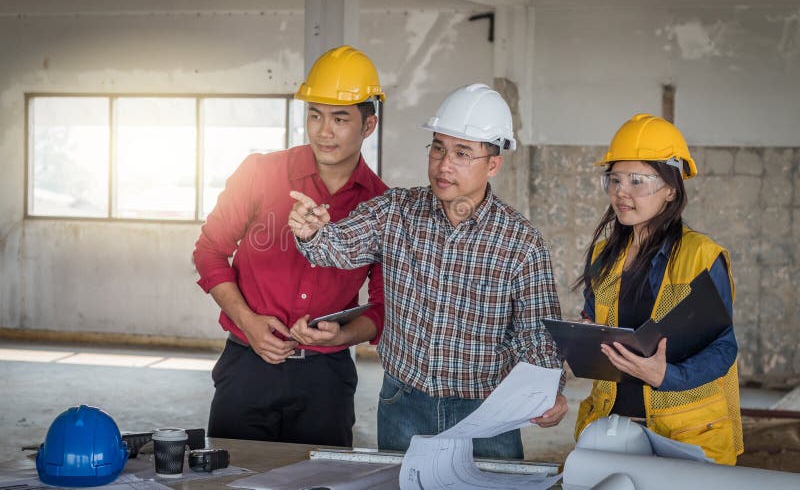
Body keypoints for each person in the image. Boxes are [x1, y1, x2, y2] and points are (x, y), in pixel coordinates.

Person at [287, 83, 568, 460]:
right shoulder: (396, 210)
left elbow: (539, 335)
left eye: (462, 153)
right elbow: (340, 245)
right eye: (438, 148)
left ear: (493, 164)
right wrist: (314, 233)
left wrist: (549, 390)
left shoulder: (520, 241)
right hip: (403, 405)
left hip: (486, 412)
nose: (444, 164)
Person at [193, 45, 388, 447]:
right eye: (314, 115)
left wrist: (341, 337)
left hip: (326, 380)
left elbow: (384, 305)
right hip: (246, 367)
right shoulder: (261, 173)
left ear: (368, 125)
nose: (323, 130)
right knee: (231, 477)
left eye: (339, 118)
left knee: (317, 481)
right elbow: (209, 251)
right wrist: (248, 321)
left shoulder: (381, 206)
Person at [573, 114, 742, 465]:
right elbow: (594, 316)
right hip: (613, 426)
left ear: (670, 189)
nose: (621, 191)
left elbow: (724, 347)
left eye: (637, 181)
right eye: (614, 179)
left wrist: (666, 376)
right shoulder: (605, 255)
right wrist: (585, 335)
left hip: (687, 434)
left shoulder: (702, 256)